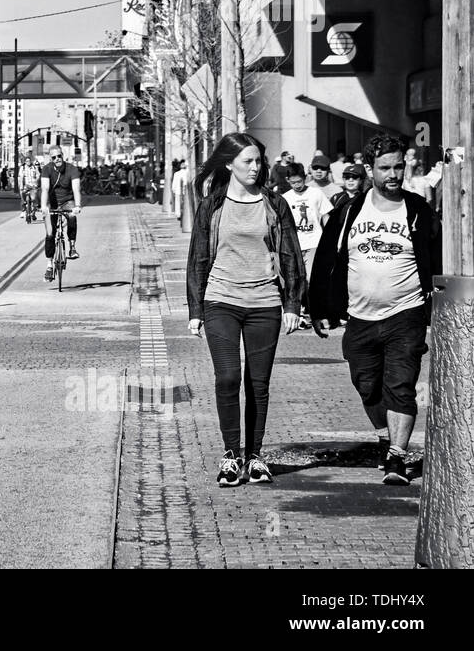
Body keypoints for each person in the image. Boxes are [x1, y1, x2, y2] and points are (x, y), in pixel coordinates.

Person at [309, 134, 441, 486]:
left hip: (406, 313)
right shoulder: (349, 210)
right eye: (385, 168)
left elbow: (438, 257)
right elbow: (325, 260)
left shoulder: (418, 210)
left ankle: (397, 455)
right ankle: (387, 437)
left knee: (401, 384)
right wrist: (319, 307)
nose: (394, 174)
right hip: (360, 316)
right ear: (370, 169)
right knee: (367, 385)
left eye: (399, 166)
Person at [186, 132, 304, 488]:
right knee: (227, 378)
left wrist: (293, 303)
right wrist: (195, 308)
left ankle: (254, 457)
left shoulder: (274, 203)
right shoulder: (213, 205)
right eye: (247, 162)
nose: (255, 168)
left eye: (258, 161)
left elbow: (290, 254)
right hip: (220, 299)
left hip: (265, 302)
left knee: (258, 384)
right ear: (229, 164)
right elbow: (198, 257)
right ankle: (230, 454)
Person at [281, 162, 332, 329]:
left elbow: (326, 216)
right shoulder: (286, 198)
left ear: (305, 178)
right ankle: (300, 313)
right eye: (293, 182)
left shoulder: (316, 193)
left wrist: (329, 238)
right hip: (295, 246)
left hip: (314, 242)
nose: (297, 185)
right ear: (288, 180)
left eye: (299, 181)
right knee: (297, 280)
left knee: (312, 278)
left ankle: (318, 313)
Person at [39, 146, 83, 281]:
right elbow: (45, 189)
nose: (57, 159)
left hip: (67, 201)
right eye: (53, 157)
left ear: (62, 155)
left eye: (59, 156)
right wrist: (43, 207)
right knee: (50, 233)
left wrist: (77, 206)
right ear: (50, 159)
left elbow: (76, 189)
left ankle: (72, 247)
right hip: (51, 203)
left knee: (71, 216)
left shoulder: (72, 169)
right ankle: (49, 265)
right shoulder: (46, 169)